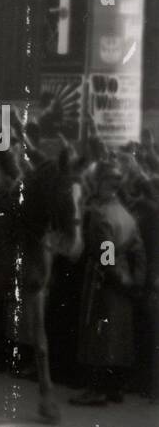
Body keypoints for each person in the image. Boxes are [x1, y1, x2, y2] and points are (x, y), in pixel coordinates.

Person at [71, 161, 146, 406]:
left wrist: (116, 276)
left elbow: (106, 255)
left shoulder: (101, 216)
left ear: (103, 185)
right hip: (124, 280)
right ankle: (115, 388)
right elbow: (138, 250)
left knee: (99, 335)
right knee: (120, 336)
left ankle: (97, 390)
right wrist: (134, 280)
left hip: (104, 282)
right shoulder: (127, 215)